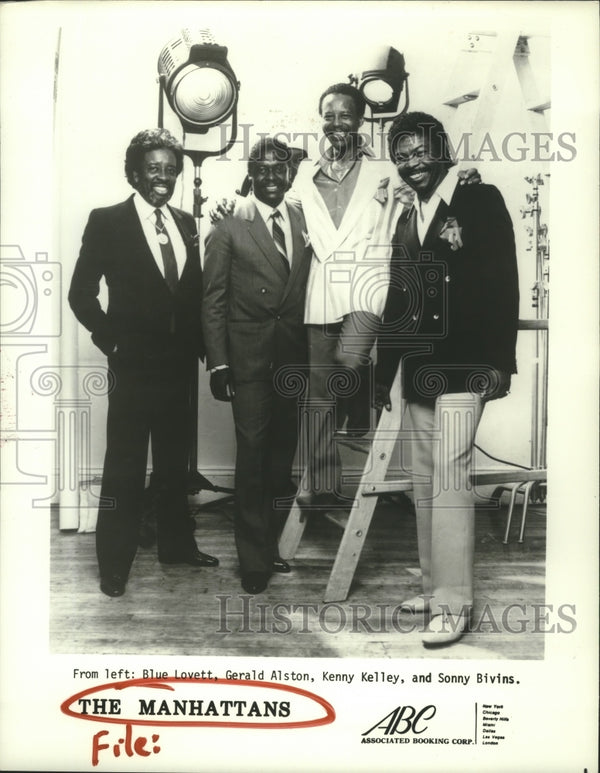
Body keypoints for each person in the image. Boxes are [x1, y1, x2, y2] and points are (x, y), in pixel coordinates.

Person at [376, 112, 519, 646]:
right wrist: (380, 377)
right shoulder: (407, 218)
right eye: (402, 154)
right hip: (420, 370)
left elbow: (505, 281)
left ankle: (454, 604)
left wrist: (499, 365)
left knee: (452, 477)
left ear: (442, 149)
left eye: (420, 151)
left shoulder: (481, 200)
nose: (412, 164)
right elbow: (397, 301)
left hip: (466, 364)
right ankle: (434, 586)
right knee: (425, 477)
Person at [69, 128, 218, 598]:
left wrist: (206, 353)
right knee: (125, 465)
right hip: (132, 366)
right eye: (154, 168)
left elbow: (191, 295)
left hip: (179, 368)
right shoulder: (107, 221)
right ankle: (114, 563)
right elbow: (81, 293)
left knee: (175, 464)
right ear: (134, 172)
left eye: (171, 170)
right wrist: (113, 342)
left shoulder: (187, 223)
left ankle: (176, 545)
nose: (164, 177)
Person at [202, 137, 313, 595]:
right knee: (251, 457)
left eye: (280, 169)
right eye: (263, 169)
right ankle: (252, 559)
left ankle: (269, 544)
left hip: (294, 358)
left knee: (280, 457)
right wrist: (219, 364)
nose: (272, 177)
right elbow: (212, 300)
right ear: (251, 173)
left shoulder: (306, 219)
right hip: (247, 361)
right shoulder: (229, 223)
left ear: (290, 174)